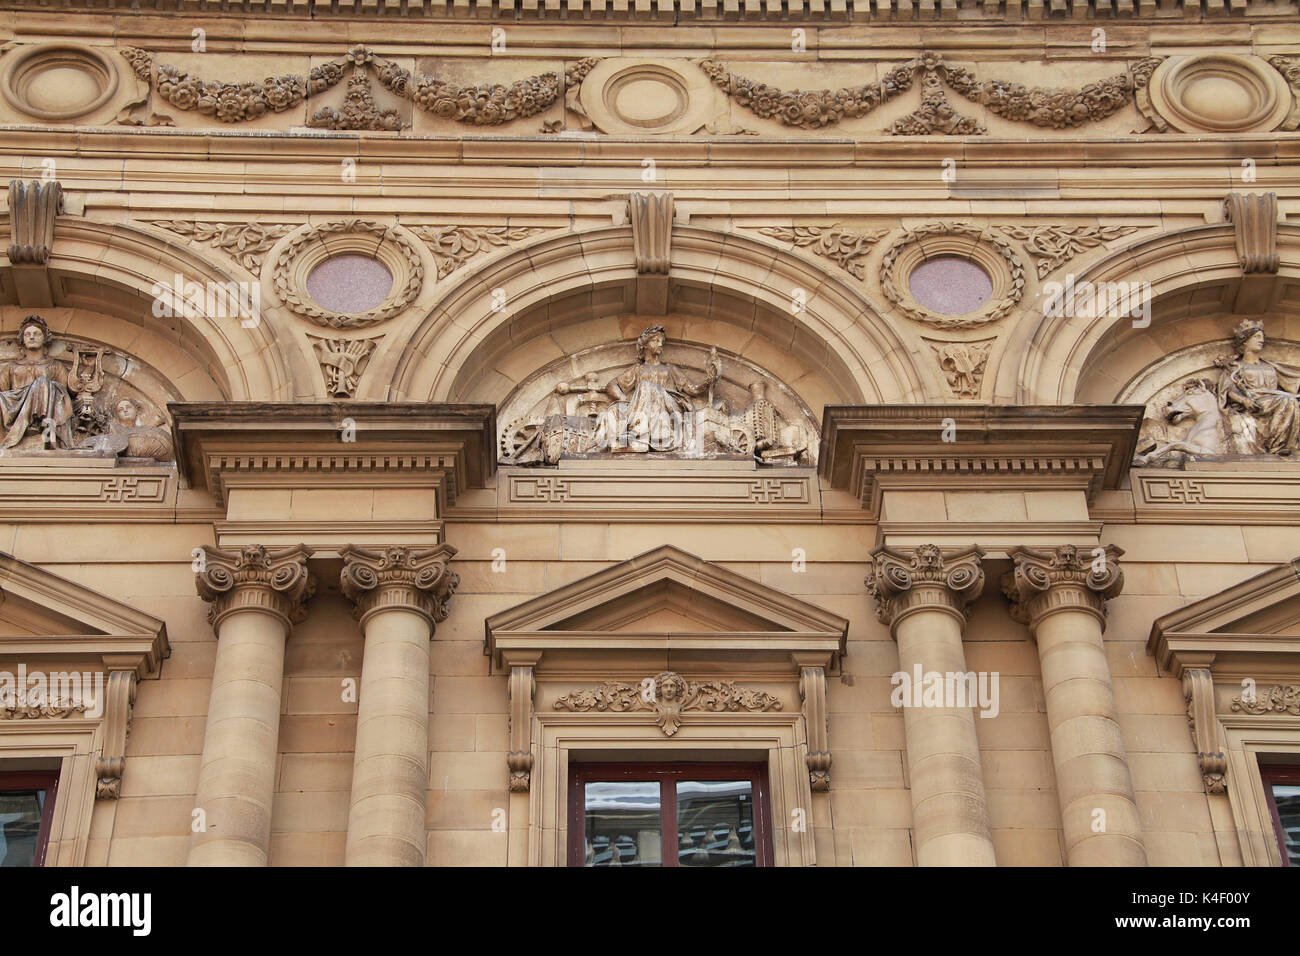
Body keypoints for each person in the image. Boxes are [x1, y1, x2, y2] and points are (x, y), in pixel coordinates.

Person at [592, 325, 720, 454]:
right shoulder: (638, 369)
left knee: (646, 386)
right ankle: (631, 438)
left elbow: (692, 389)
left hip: (669, 405)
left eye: (661, 341)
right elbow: (611, 385)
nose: (660, 344)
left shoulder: (669, 369)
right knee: (614, 409)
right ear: (645, 345)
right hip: (645, 408)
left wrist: (708, 381)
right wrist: (623, 398)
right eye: (656, 341)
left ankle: (637, 435)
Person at [1216, 320, 1300, 456]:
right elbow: (1228, 389)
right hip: (1257, 401)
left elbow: (1292, 383)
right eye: (1257, 337)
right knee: (1288, 401)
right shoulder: (1236, 367)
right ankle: (1275, 446)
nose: (1261, 340)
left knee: (1291, 400)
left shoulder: (1269, 366)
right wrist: (1244, 401)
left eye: (1262, 337)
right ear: (1244, 341)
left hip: (1274, 398)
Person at [0, 315, 74, 450]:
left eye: (36, 334)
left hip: (45, 410)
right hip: (15, 408)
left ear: (45, 338)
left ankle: (38, 423)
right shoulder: (12, 366)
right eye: (27, 334)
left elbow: (64, 392)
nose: (32, 337)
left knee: (42, 382)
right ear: (22, 339)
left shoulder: (55, 366)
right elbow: (3, 391)